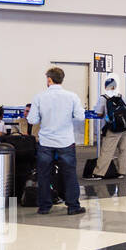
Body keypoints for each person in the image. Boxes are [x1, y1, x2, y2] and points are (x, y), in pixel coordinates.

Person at [26, 67, 87, 216]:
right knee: (70, 174)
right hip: (65, 141)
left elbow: (32, 119)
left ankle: (44, 207)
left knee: (44, 175)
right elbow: (80, 117)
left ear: (49, 79)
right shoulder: (72, 96)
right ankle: (73, 206)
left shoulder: (39, 97)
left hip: (46, 142)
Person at [86, 77, 126, 180]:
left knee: (107, 151)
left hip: (114, 129)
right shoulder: (121, 96)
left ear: (105, 87)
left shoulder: (104, 98)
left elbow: (99, 113)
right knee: (124, 150)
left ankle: (99, 173)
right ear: (115, 86)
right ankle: (121, 172)